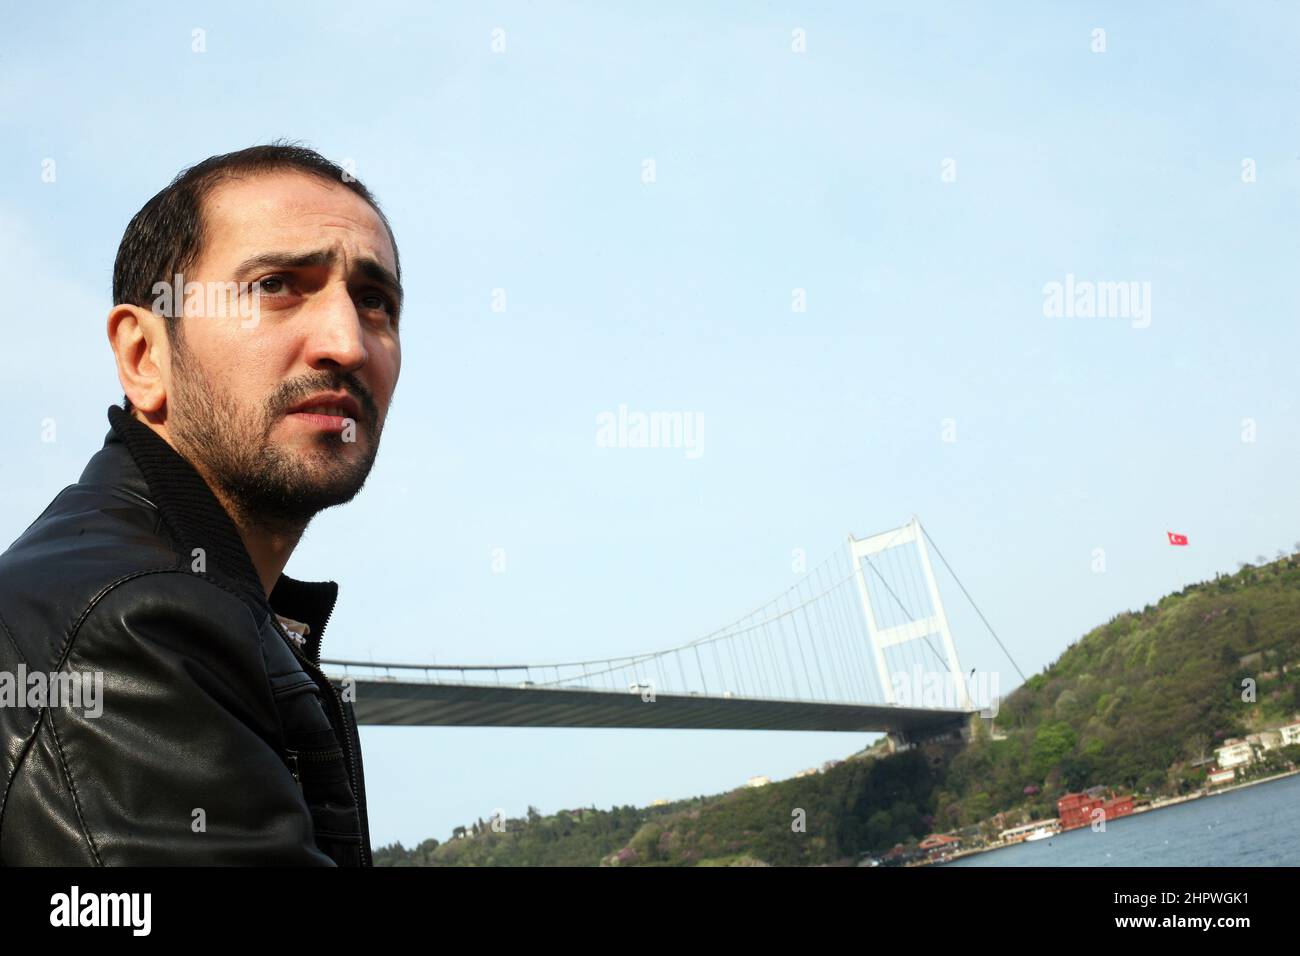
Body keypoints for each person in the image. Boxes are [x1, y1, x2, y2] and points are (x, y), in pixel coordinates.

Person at [0, 143, 403, 864]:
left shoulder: (192, 600)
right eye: (278, 284)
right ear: (144, 356)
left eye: (374, 301)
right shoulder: (133, 628)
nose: (347, 342)